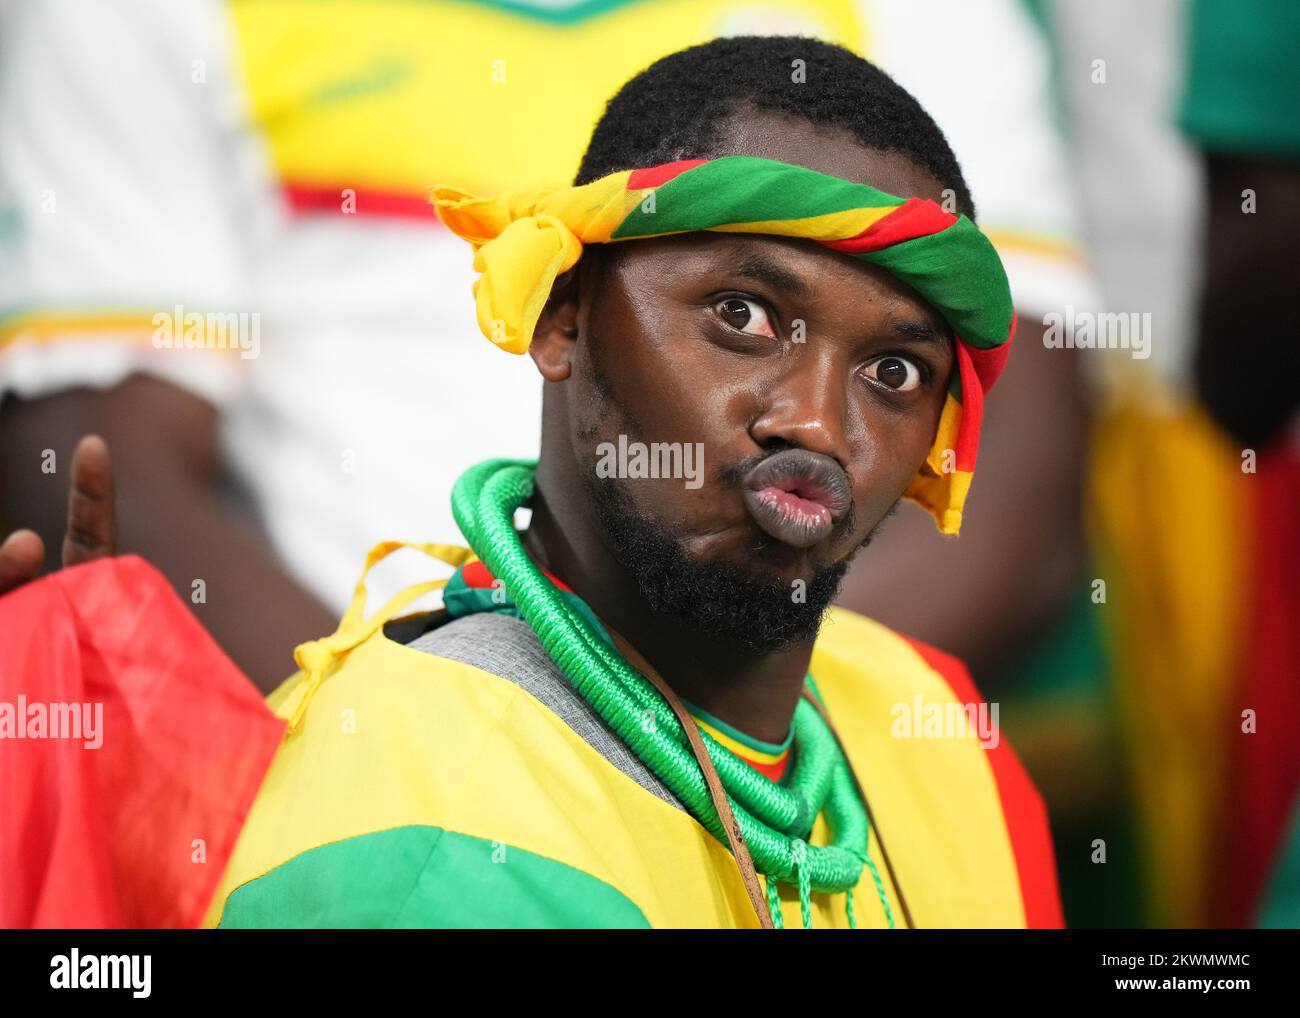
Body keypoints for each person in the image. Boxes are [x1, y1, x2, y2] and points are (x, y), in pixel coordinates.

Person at [1, 37, 1060, 929]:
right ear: (562, 317)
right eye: (741, 314)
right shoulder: (426, 844)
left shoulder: (941, 731)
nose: (817, 422)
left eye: (893, 371)